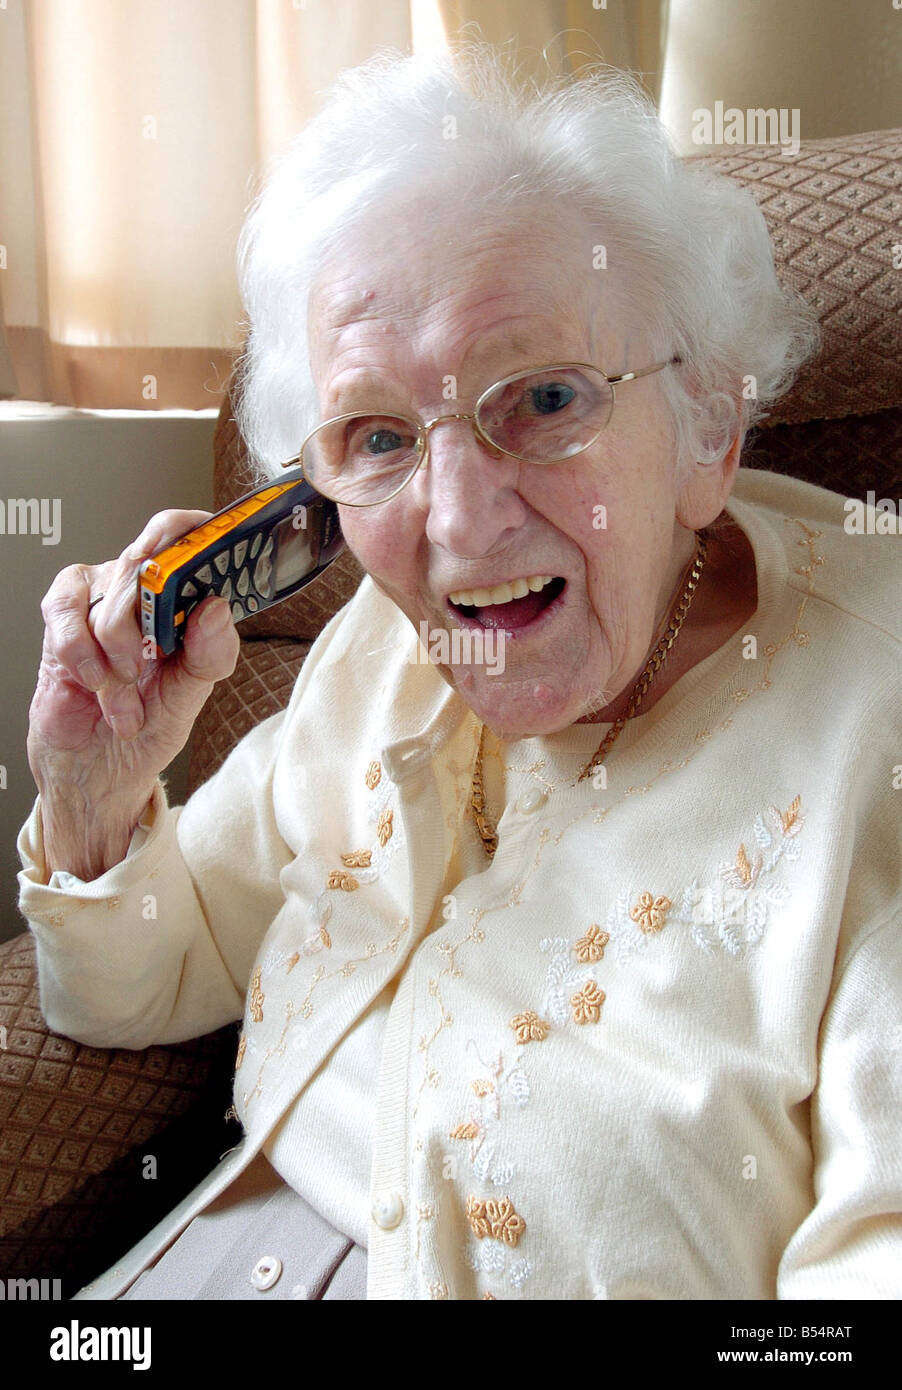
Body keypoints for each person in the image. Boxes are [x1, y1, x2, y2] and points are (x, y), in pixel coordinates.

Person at [17, 43, 901, 1301]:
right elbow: (142, 979)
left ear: (708, 421)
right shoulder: (376, 650)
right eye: (375, 436)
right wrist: (97, 788)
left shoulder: (875, 732)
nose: (456, 519)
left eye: (541, 398)